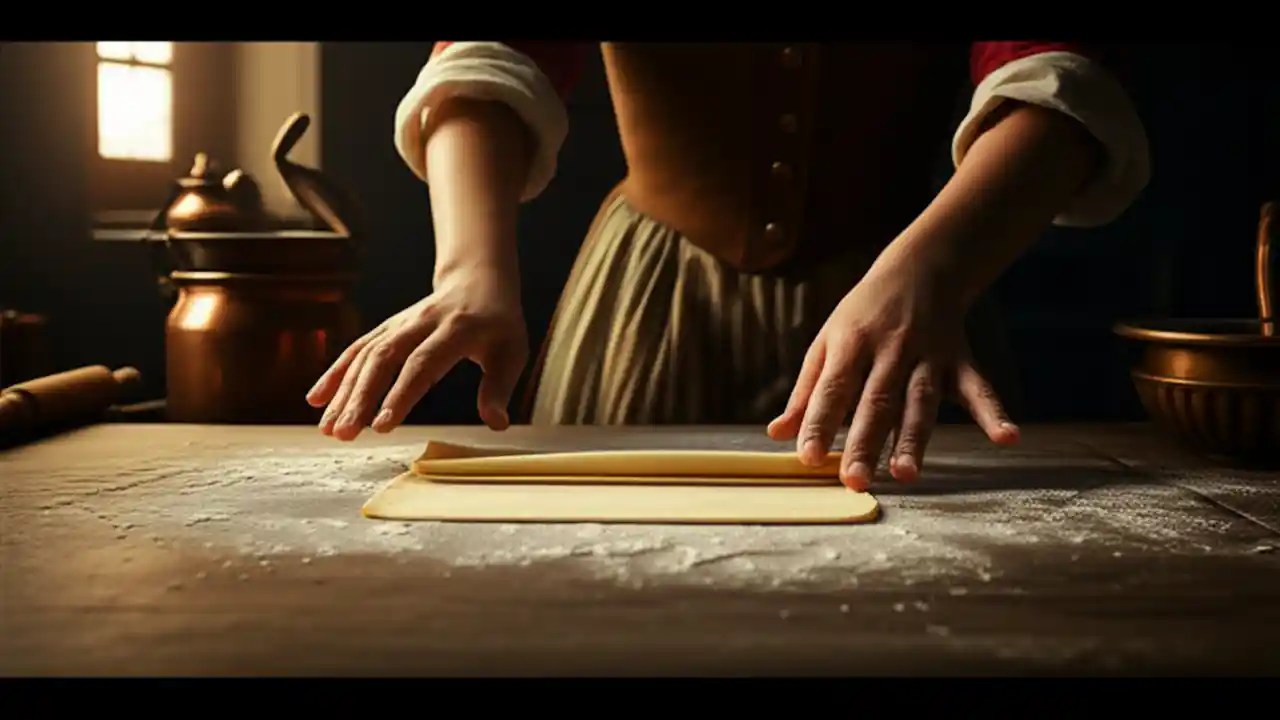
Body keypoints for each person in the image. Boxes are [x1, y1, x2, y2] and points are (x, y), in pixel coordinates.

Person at [307, 42, 1149, 490]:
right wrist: (468, 270)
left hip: (904, 300)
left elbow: (1061, 79)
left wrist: (932, 271)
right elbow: (491, 56)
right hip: (646, 304)